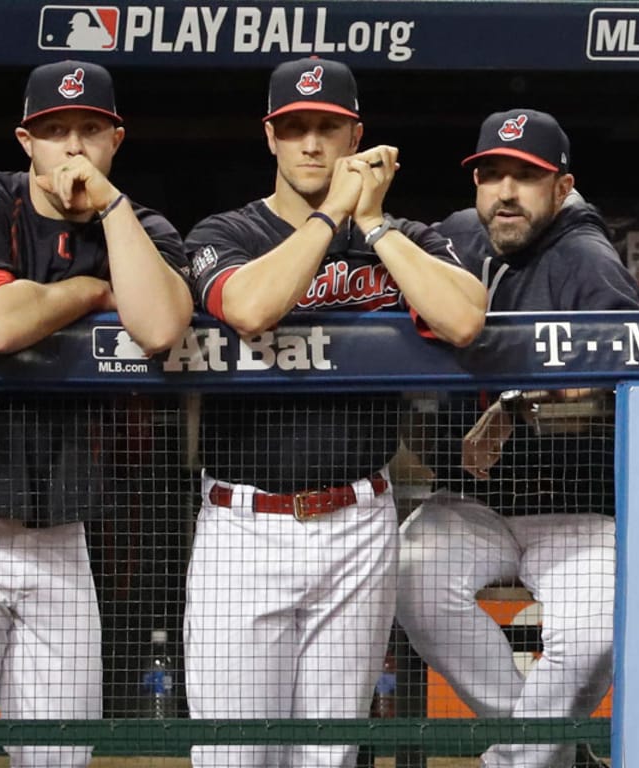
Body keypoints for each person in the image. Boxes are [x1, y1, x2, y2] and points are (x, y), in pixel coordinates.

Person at [182, 57, 486, 768]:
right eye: (295, 129)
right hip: (243, 526)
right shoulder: (225, 231)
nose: (312, 145)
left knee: (329, 755)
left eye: (328, 128)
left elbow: (465, 319)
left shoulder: (400, 234)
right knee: (231, 757)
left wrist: (374, 224)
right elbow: (251, 309)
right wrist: (330, 218)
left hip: (358, 523)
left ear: (355, 135)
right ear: (270, 137)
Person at [0, 58, 191, 768]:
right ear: (24, 140)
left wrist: (113, 209)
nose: (72, 147)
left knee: (61, 752)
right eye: (53, 130)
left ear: (115, 140)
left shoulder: (141, 223)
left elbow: (159, 327)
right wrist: (94, 295)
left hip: (63, 535)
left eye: (89, 129)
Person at [396, 109, 639, 768]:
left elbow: (623, 365)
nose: (505, 192)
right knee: (406, 579)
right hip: (474, 501)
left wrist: (521, 398)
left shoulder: (586, 259)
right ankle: (554, 756)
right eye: (491, 174)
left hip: (578, 506)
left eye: (525, 177)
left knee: (592, 633)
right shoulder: (456, 237)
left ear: (562, 189)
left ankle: (519, 761)